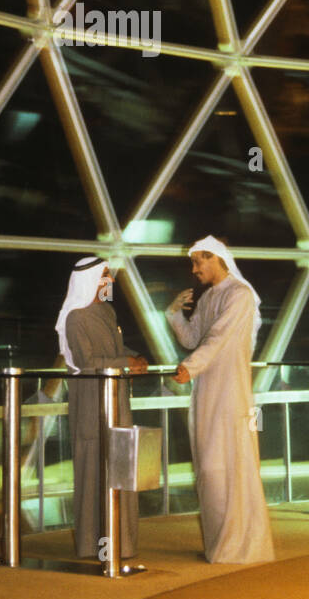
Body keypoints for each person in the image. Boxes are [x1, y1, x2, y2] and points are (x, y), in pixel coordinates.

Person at [165, 235, 274, 565]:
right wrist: (172, 314)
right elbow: (193, 338)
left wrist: (191, 367)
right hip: (206, 391)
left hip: (229, 393)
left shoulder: (239, 295)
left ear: (216, 259)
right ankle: (219, 544)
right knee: (210, 468)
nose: (194, 269)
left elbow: (219, 338)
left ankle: (240, 546)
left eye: (199, 261)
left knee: (230, 464)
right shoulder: (210, 296)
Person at [55, 256, 147, 559]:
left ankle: (122, 543)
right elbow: (86, 363)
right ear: (92, 280)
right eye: (106, 275)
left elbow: (116, 352)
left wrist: (137, 358)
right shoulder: (75, 318)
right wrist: (125, 363)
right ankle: (93, 545)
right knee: (94, 468)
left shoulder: (107, 312)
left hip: (116, 400)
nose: (112, 281)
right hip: (91, 405)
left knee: (119, 466)